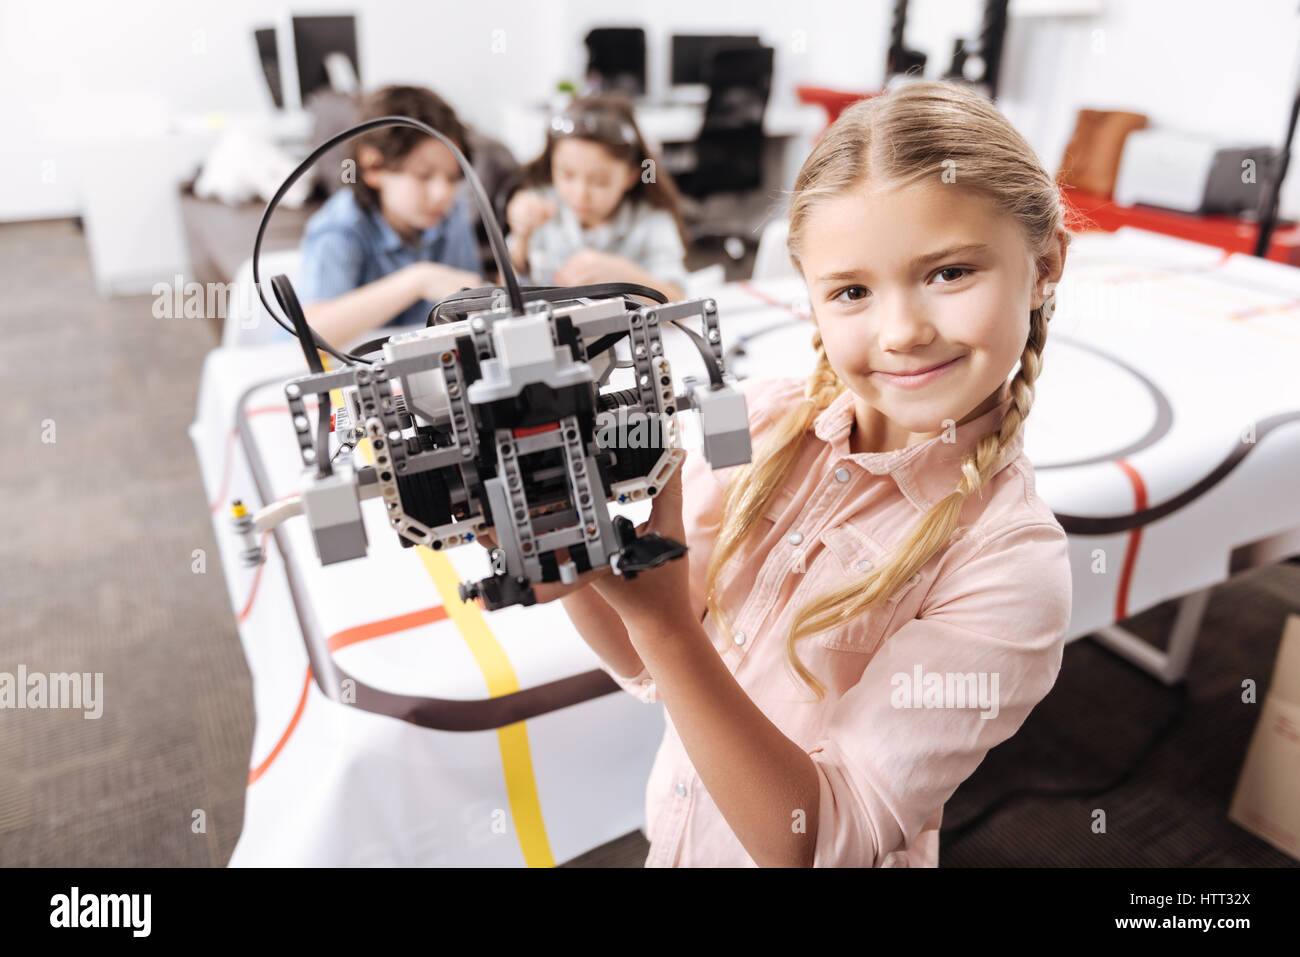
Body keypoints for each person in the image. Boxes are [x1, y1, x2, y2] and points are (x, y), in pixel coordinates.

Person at [526, 79, 1075, 867]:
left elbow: (822, 839)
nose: (901, 332)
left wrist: (664, 622)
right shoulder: (758, 421)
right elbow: (649, 662)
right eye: (851, 290)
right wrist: (567, 540)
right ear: (811, 300)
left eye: (950, 272)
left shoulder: (1011, 564)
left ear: (1047, 259)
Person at [289, 85, 484, 349]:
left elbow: (473, 303)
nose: (442, 193)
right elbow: (310, 336)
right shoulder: (340, 226)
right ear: (373, 166)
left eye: (451, 178)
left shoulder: (449, 216)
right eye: (423, 176)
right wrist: (418, 280)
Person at [505, 93, 689, 301]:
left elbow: (679, 302)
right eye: (567, 175)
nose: (580, 194)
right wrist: (521, 236)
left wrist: (624, 276)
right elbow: (503, 291)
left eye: (600, 181)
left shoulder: (652, 222)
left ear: (630, 176)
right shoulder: (540, 205)